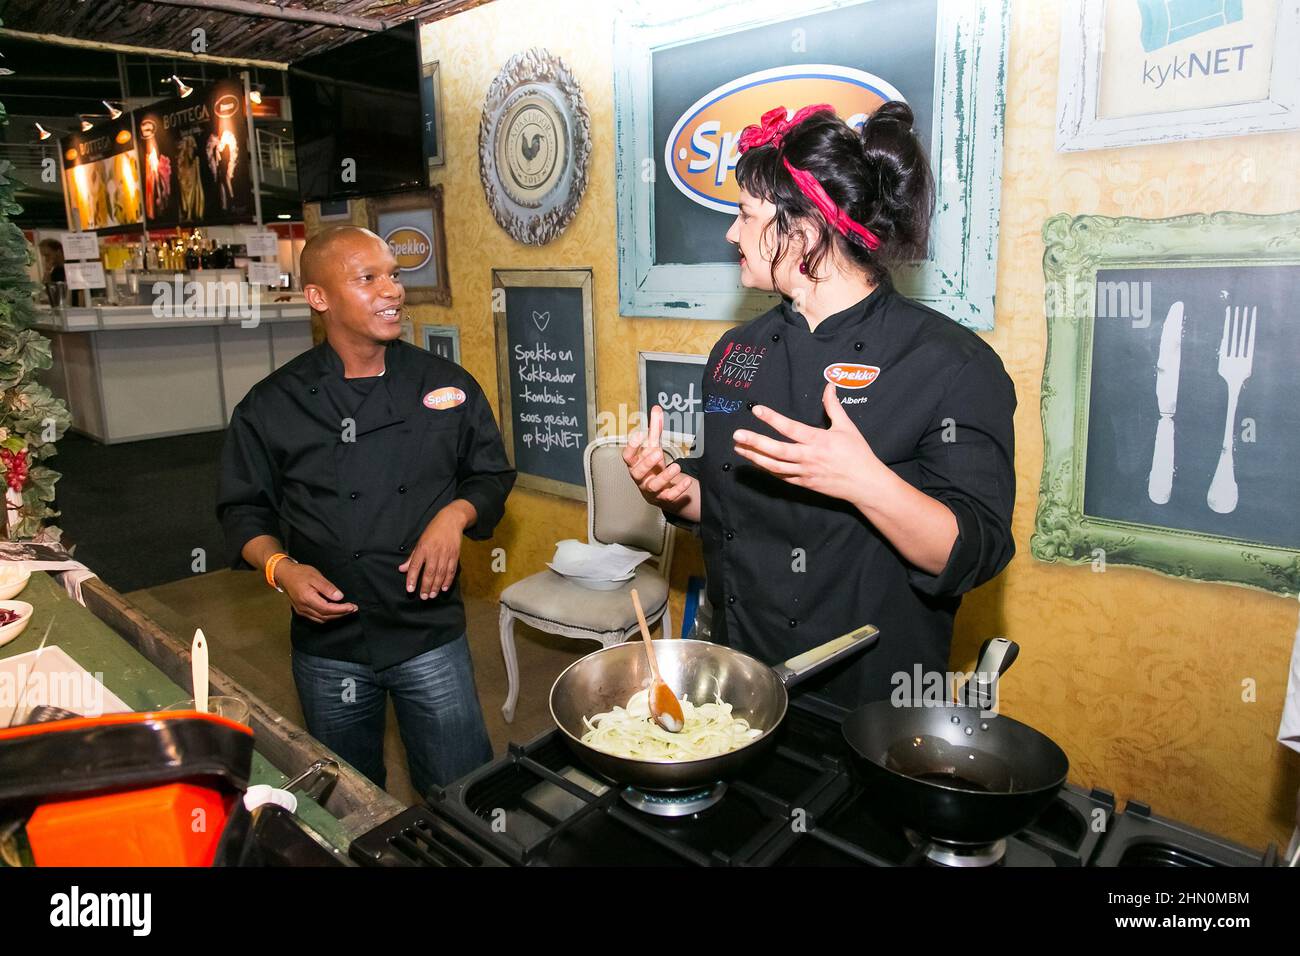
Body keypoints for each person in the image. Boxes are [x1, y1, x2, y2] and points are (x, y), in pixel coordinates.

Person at [623, 102, 1016, 709]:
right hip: (742, 683)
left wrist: (864, 482)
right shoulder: (736, 351)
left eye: (746, 214)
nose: (731, 233)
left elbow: (973, 551)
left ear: (802, 230)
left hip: (871, 703)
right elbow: (728, 499)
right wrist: (676, 491)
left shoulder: (949, 363)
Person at [217, 225, 515, 795]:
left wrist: (455, 516)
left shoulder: (445, 386)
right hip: (329, 647)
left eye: (395, 275)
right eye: (368, 278)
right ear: (319, 298)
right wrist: (282, 570)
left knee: (462, 796)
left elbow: (490, 475)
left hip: (427, 635)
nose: (393, 290)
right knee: (347, 799)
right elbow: (243, 511)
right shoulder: (271, 405)